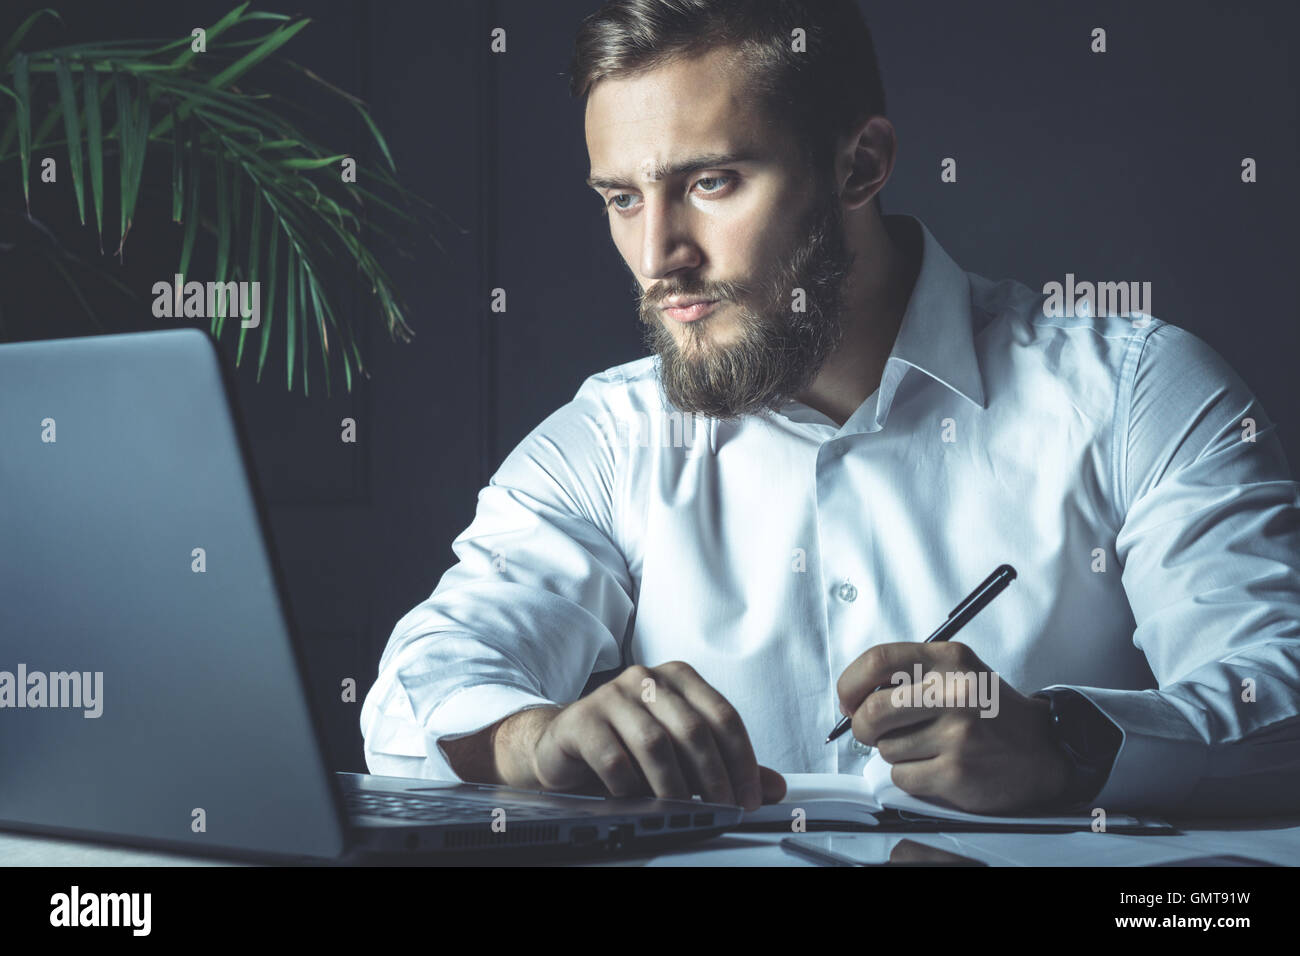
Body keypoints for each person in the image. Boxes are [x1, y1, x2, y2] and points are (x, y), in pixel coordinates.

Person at [361, 0, 1300, 816]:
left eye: (710, 182)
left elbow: (1281, 693)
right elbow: (417, 691)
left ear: (861, 164)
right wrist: (533, 742)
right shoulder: (610, 441)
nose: (658, 256)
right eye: (620, 197)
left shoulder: (1134, 390)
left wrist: (1066, 745)